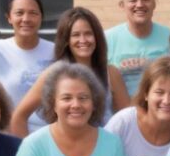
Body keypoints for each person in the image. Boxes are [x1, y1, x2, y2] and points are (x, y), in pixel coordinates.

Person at [10, 7, 129, 136]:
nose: (83, 40)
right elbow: (19, 117)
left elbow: (129, 119)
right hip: (63, 151)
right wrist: (26, 152)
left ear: (97, 37)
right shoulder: (54, 74)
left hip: (104, 151)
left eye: (88, 34)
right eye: (76, 35)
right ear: (66, 40)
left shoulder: (110, 73)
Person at [0, 0, 55, 133]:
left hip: (48, 136)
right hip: (7, 137)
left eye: (33, 13)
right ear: (9, 17)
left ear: (41, 18)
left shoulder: (55, 51)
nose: (26, 19)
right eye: (19, 13)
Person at [106, 0, 170, 96]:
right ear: (122, 5)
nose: (140, 5)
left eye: (145, 0)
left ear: (154, 3)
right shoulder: (106, 39)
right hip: (118, 111)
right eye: (133, 0)